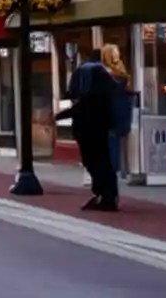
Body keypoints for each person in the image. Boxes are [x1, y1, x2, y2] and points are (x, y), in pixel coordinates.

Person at [59, 48, 121, 211]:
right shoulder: (104, 76)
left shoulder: (87, 73)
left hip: (88, 130)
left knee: (95, 162)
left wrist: (57, 116)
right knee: (102, 161)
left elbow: (80, 106)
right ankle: (107, 195)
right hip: (99, 129)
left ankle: (104, 195)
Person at [100, 44, 132, 178]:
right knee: (120, 139)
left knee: (109, 141)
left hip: (109, 109)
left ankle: (111, 169)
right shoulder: (122, 72)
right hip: (123, 107)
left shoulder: (104, 73)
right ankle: (123, 169)